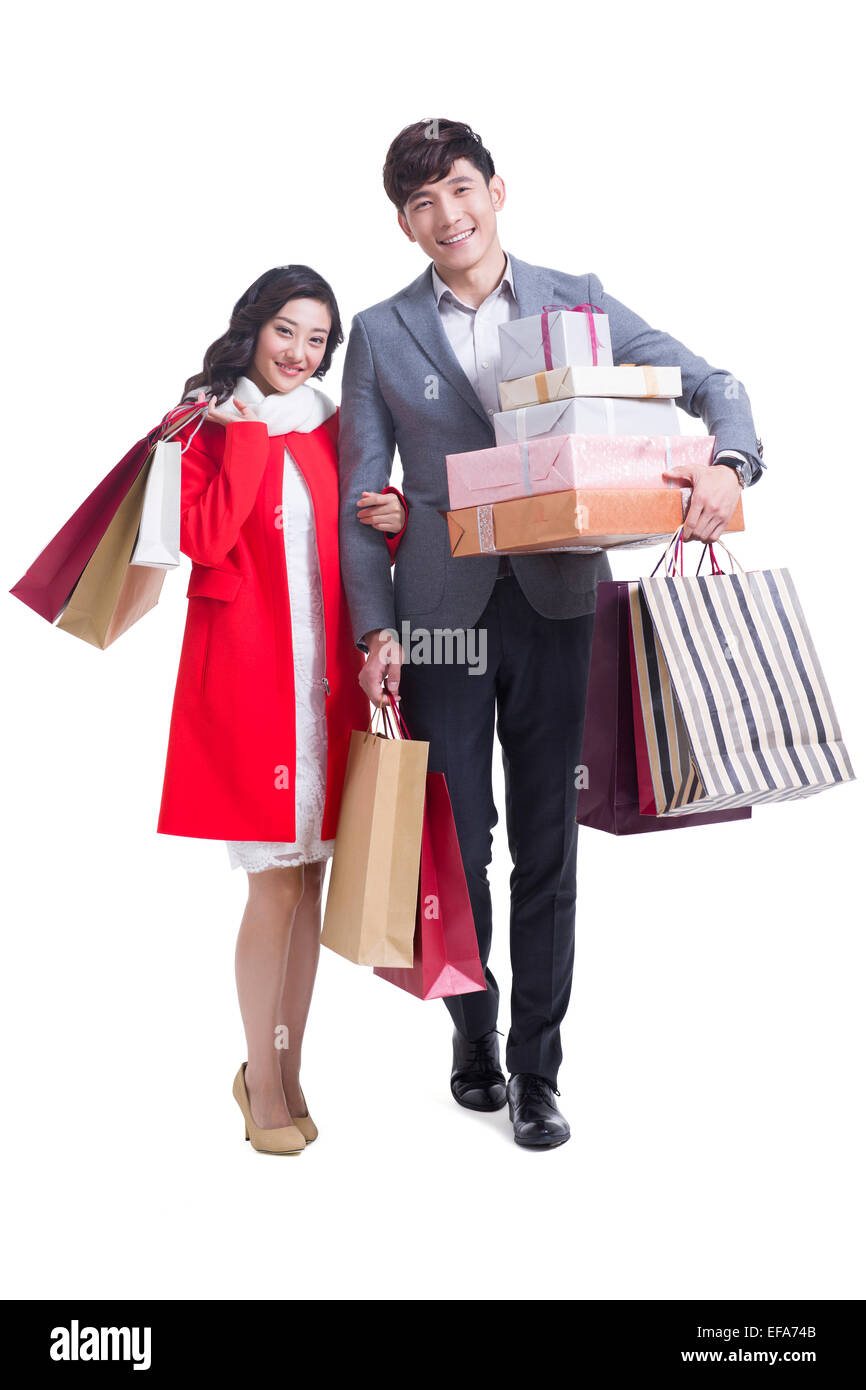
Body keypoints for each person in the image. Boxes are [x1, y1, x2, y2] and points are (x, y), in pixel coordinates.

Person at [337, 119, 763, 1149]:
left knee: (545, 844)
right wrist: (374, 630)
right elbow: (362, 497)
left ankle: (537, 1069)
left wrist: (728, 464)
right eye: (422, 203)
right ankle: (471, 1036)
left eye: (459, 189)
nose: (448, 216)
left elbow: (711, 383)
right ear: (403, 223)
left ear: (495, 188)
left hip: (560, 601)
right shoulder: (381, 331)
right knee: (459, 840)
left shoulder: (577, 298)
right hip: (440, 615)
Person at [156, 265, 406, 1155]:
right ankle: (262, 1081)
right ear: (253, 327)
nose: (301, 354)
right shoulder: (204, 422)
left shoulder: (331, 429)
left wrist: (393, 516)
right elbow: (205, 538)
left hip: (326, 679)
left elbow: (354, 543)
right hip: (250, 680)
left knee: (311, 885)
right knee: (272, 886)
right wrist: (250, 436)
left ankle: (287, 1069)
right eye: (286, 332)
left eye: (317, 339)